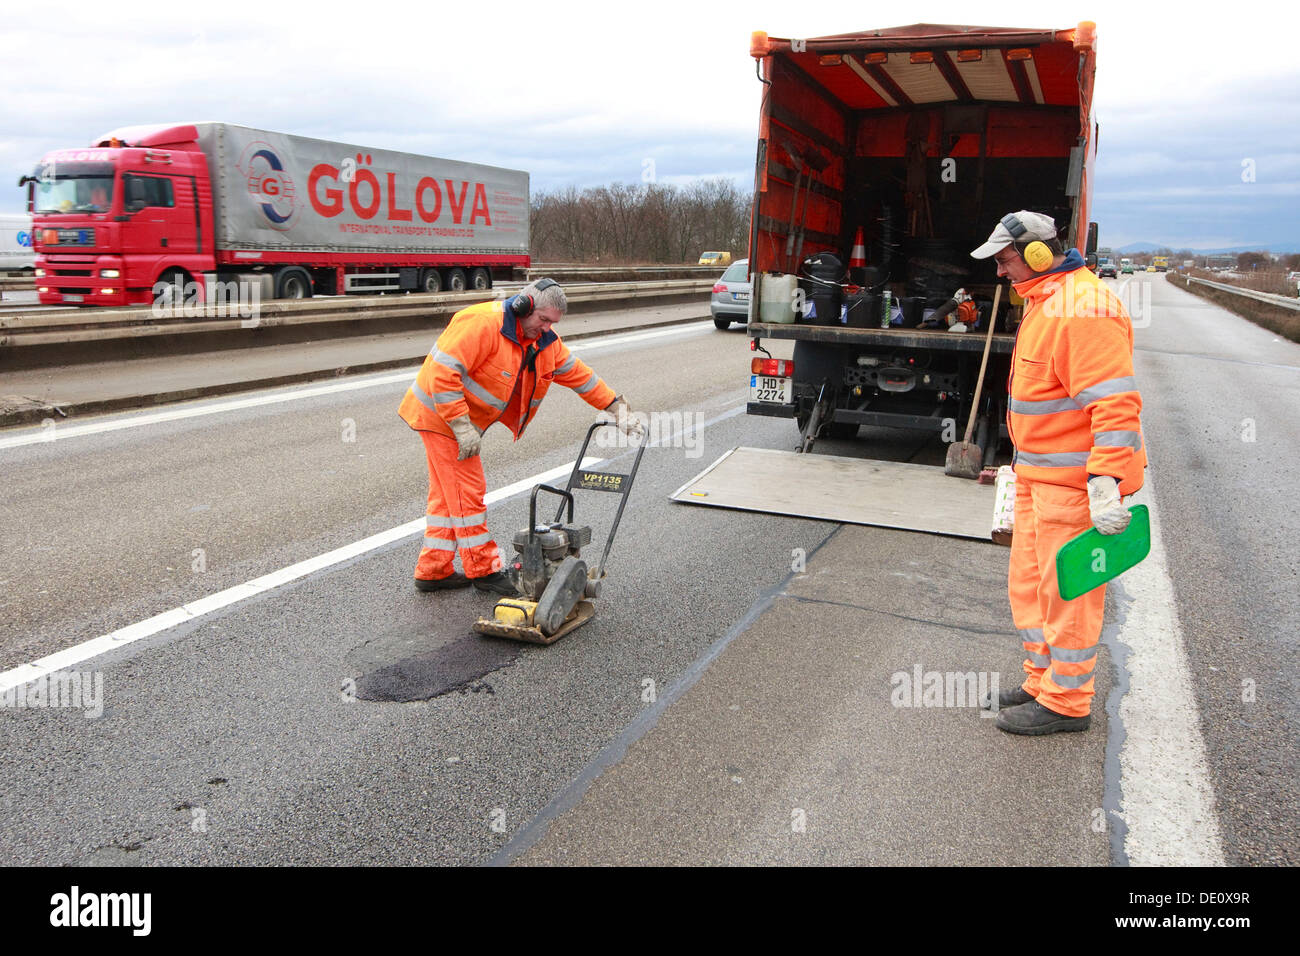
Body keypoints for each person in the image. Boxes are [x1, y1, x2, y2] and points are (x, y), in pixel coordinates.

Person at [970, 211, 1146, 735]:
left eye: (1004, 261)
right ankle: (1041, 680)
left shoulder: (1082, 309)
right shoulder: (1047, 301)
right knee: (1029, 587)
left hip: (1074, 489)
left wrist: (1106, 481)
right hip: (1038, 481)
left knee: (1067, 592)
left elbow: (1114, 406)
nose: (1000, 272)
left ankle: (1067, 702)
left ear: (1038, 255)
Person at [398, 278, 644, 595]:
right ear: (524, 306)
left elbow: (581, 377)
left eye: (552, 323)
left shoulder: (544, 343)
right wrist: (460, 425)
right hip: (440, 414)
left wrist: (616, 407)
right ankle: (483, 570)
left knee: (448, 497)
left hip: (460, 420)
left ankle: (433, 570)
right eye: (542, 320)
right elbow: (441, 375)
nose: (545, 328)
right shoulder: (482, 324)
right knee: (467, 492)